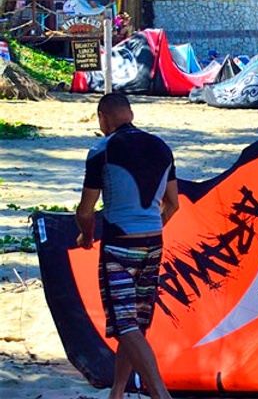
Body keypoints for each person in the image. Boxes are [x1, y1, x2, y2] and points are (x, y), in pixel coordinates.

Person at [75, 93, 178, 399]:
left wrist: (86, 235)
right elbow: (173, 205)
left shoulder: (102, 150)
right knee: (135, 323)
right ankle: (117, 392)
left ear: (102, 118)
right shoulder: (162, 148)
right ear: (130, 113)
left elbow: (85, 211)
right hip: (153, 244)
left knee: (124, 324)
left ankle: (161, 393)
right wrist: (150, 228)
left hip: (119, 246)